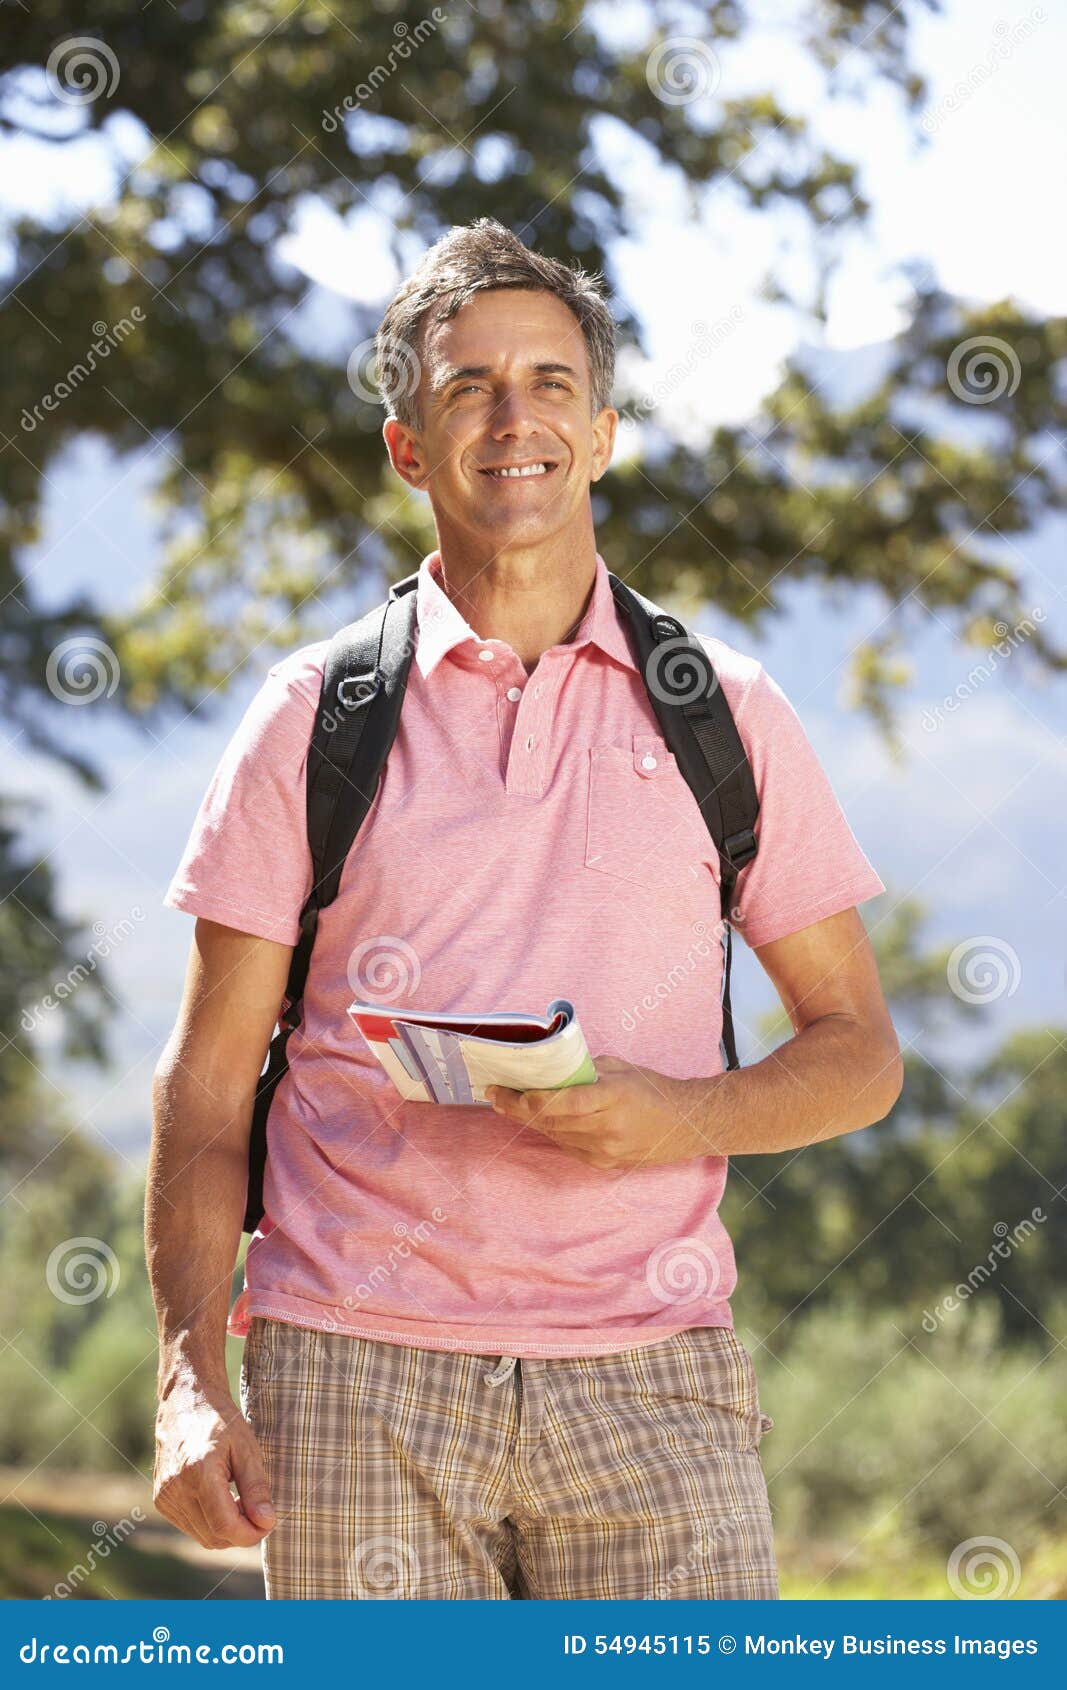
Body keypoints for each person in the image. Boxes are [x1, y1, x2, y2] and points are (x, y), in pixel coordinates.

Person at [147, 218, 902, 1600]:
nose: (515, 419)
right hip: (353, 1373)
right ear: (408, 447)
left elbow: (860, 1052)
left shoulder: (726, 716)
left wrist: (683, 1113)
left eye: (551, 382)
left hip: (654, 1381)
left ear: (603, 434)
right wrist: (192, 1380)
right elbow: (202, 1096)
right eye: (467, 386)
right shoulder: (313, 718)